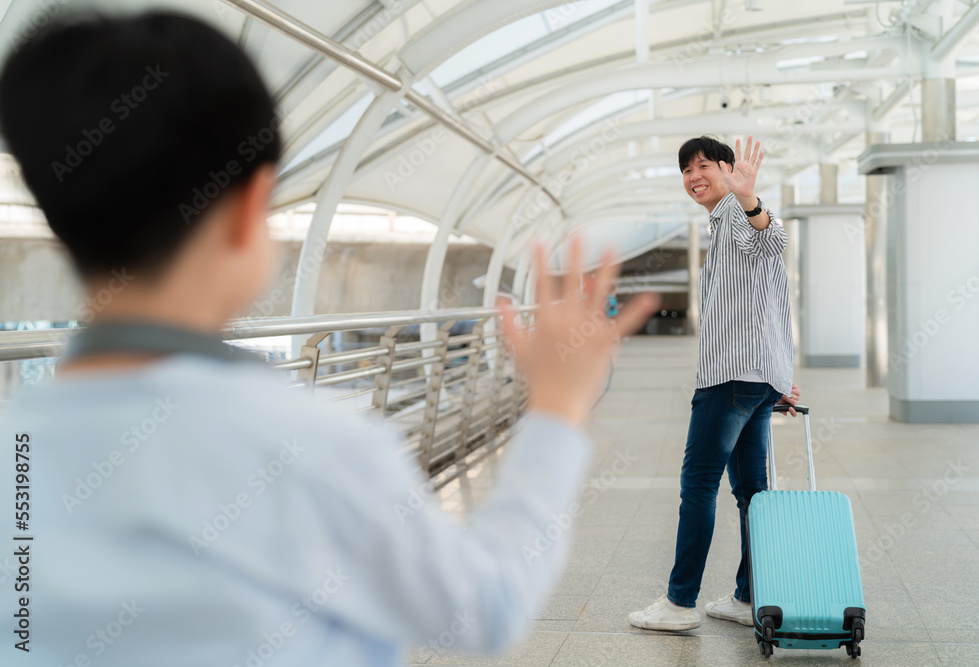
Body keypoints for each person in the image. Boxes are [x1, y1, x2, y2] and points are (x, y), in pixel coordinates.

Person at [0, 12, 659, 666]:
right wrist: (557, 409)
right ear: (248, 207)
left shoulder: (17, 450)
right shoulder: (311, 444)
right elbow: (485, 604)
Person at [628, 136, 800, 631]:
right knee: (753, 493)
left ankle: (679, 604)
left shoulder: (732, 213)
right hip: (757, 378)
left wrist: (749, 199)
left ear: (729, 170)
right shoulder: (721, 222)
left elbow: (771, 238)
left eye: (704, 165)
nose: (693, 176)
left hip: (728, 380)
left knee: (698, 486)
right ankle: (748, 598)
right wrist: (779, 378)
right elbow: (768, 296)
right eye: (685, 170)